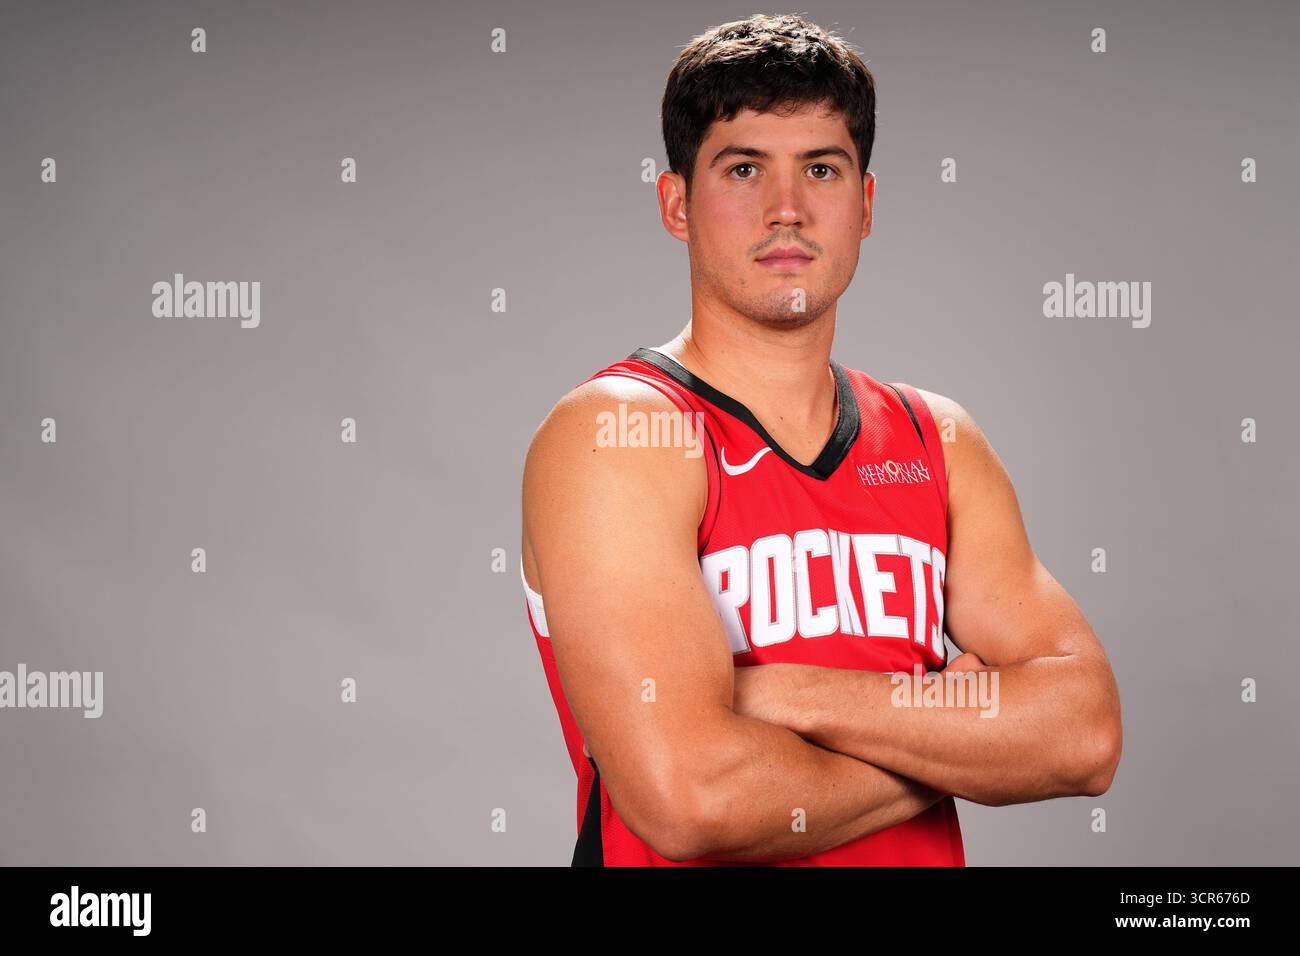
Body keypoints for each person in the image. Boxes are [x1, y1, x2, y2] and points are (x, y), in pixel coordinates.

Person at [520, 13, 1122, 866]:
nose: (787, 208)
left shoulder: (936, 439)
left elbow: (1084, 734)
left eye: (822, 168)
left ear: (866, 203)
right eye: (743, 168)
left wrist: (784, 694)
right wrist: (955, 745)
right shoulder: (621, 433)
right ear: (676, 203)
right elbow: (693, 798)